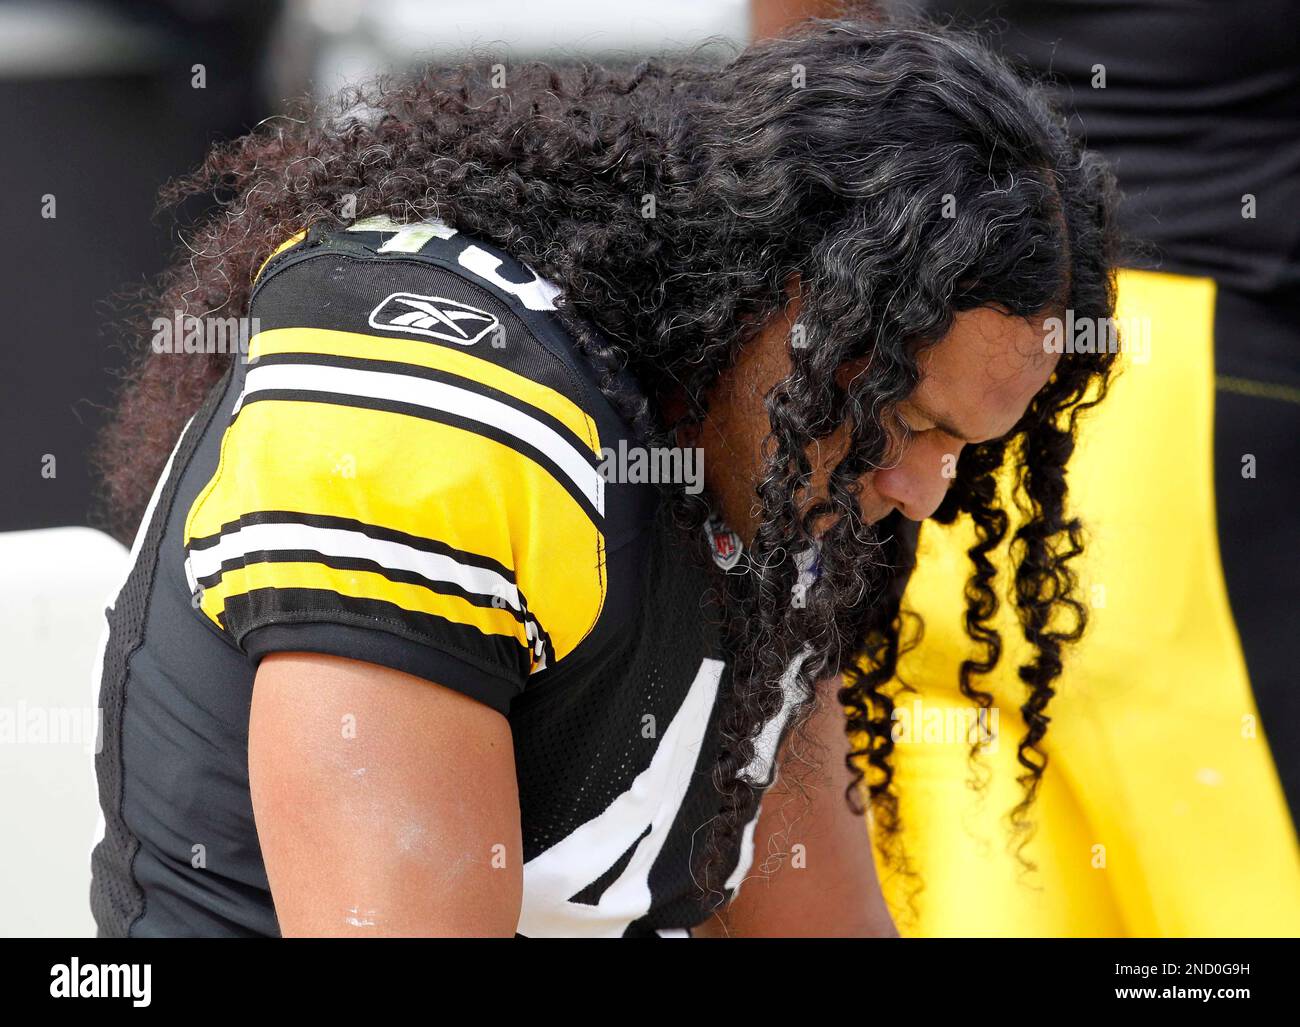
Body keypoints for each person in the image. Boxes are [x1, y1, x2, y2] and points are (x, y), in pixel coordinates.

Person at [90, 16, 1118, 937]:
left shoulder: (785, 453)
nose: (927, 491)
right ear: (777, 297)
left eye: (962, 447)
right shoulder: (435, 410)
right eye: (902, 416)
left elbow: (815, 921)